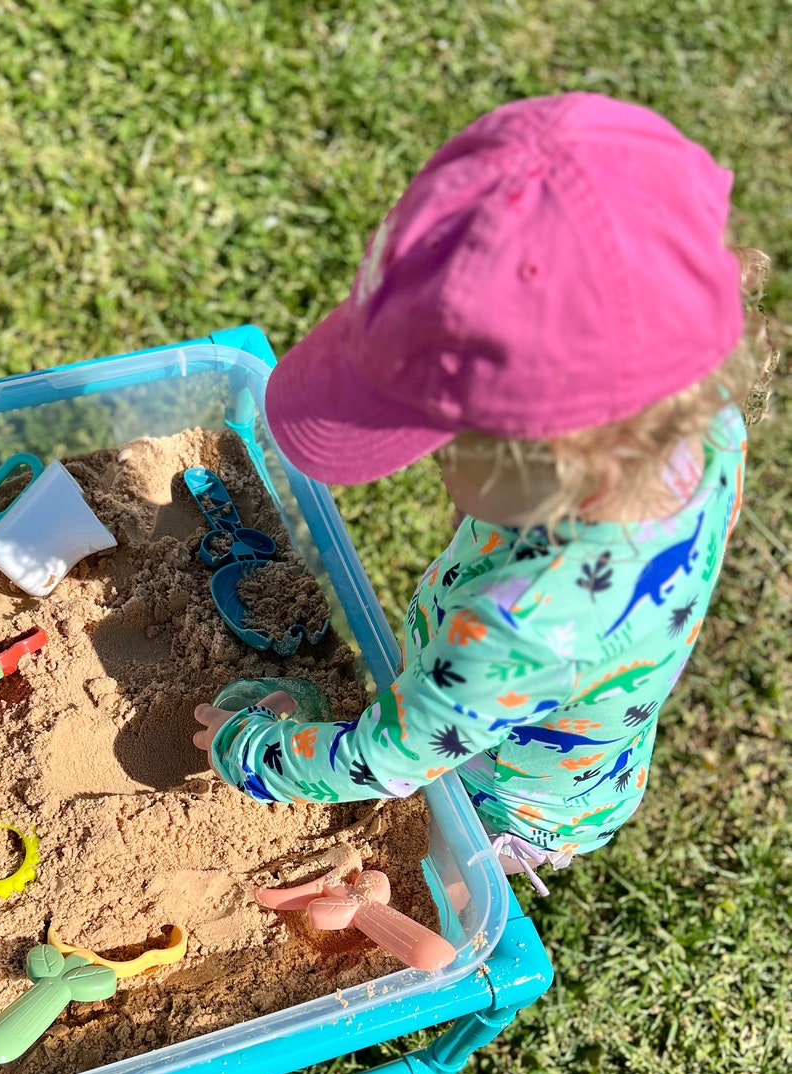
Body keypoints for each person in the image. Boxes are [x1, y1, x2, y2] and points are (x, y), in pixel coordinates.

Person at [193, 93, 773, 894]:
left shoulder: (513, 625)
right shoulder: (705, 430)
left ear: (550, 458)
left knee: (440, 863)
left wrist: (247, 750)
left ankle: (476, 880)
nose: (428, 464)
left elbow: (387, 757)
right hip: (561, 722)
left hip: (508, 794)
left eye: (441, 445)